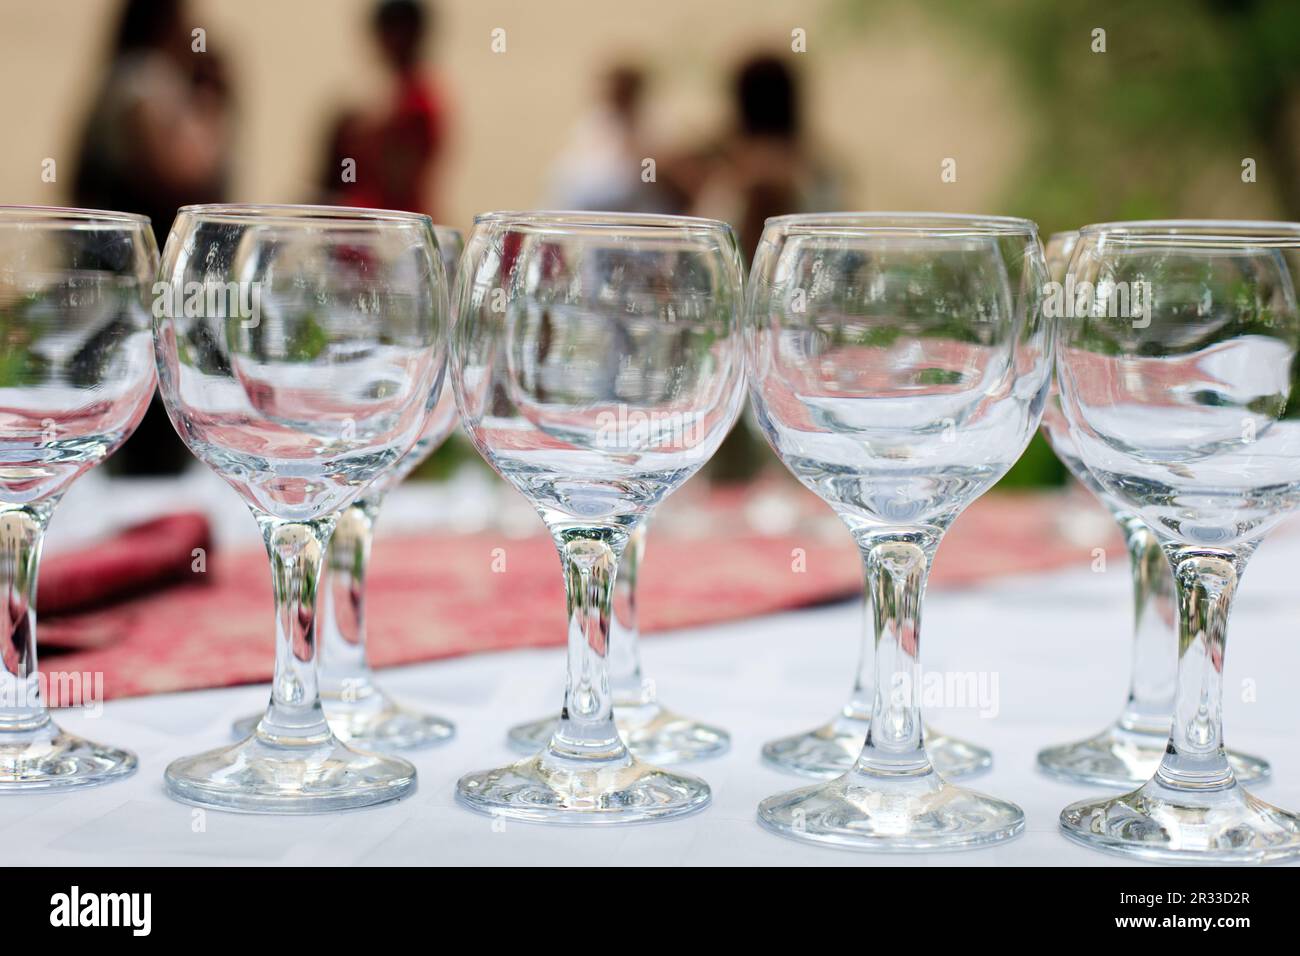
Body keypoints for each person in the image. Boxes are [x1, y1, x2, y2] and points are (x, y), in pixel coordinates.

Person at [73, 0, 234, 475]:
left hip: (132, 295)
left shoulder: (131, 76)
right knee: (149, 442)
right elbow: (183, 169)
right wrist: (210, 101)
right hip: (136, 296)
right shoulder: (143, 79)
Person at [340, 0, 448, 216]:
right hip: (386, 222)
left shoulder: (416, 105)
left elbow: (397, 180)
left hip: (393, 226)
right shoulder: (401, 98)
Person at [547, 64, 674, 212]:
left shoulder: (649, 124)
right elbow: (583, 178)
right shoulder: (595, 124)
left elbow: (649, 173)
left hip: (634, 201)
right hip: (591, 199)